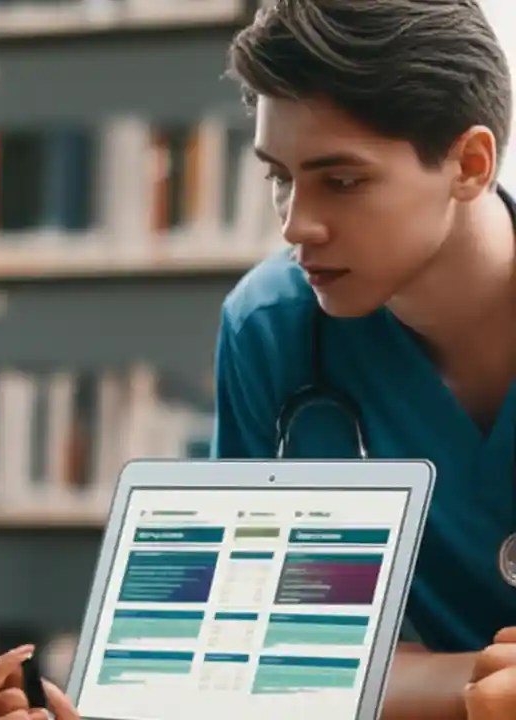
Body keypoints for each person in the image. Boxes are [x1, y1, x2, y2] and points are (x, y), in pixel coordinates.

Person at [212, 0, 516, 717]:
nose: (295, 225)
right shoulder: (271, 331)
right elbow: (263, 659)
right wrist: (484, 680)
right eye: (279, 177)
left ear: (469, 164)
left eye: (341, 181)